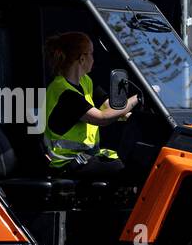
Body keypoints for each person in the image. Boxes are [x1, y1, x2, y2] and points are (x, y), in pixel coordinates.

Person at [42, 32, 138, 178]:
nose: (94, 59)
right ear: (82, 59)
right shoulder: (64, 92)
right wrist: (138, 97)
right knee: (122, 169)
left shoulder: (86, 81)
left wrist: (133, 115)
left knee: (133, 160)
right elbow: (102, 117)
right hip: (67, 163)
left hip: (86, 157)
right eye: (92, 54)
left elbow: (109, 107)